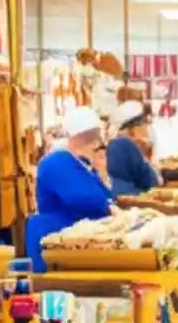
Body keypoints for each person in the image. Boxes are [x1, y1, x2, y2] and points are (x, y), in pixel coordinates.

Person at [25, 107, 116, 273]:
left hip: (76, 245)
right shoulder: (57, 161)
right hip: (54, 241)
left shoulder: (82, 164)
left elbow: (107, 195)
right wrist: (109, 206)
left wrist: (100, 173)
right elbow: (84, 198)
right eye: (94, 137)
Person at [106, 100, 160, 197]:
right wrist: (143, 155)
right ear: (134, 129)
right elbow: (152, 181)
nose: (147, 127)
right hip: (129, 200)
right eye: (145, 122)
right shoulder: (125, 145)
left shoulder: (114, 144)